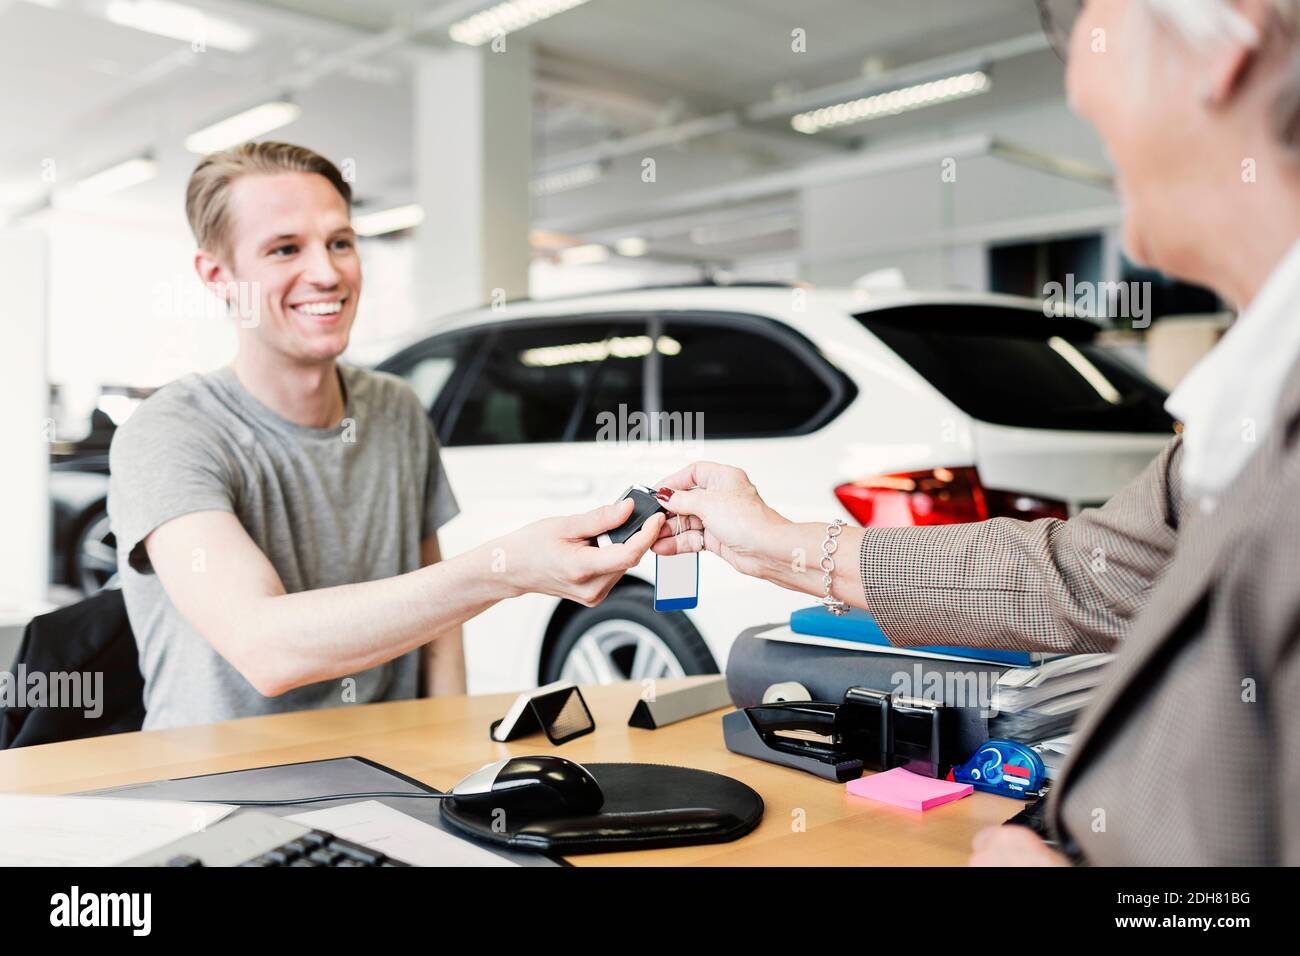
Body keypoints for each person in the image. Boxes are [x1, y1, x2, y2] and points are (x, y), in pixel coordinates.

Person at [652, 0, 1300, 865]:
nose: (1074, 75)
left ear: (1233, 29)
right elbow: (1082, 572)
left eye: (1091, 23)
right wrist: (774, 546)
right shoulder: (1247, 407)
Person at [108, 142, 663, 730]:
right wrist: (504, 570)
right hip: (223, 797)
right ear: (218, 275)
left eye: (340, 243)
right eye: (285, 249)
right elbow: (266, 649)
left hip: (385, 780)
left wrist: (456, 759)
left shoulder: (395, 408)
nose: (326, 273)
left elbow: (440, 629)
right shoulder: (168, 431)